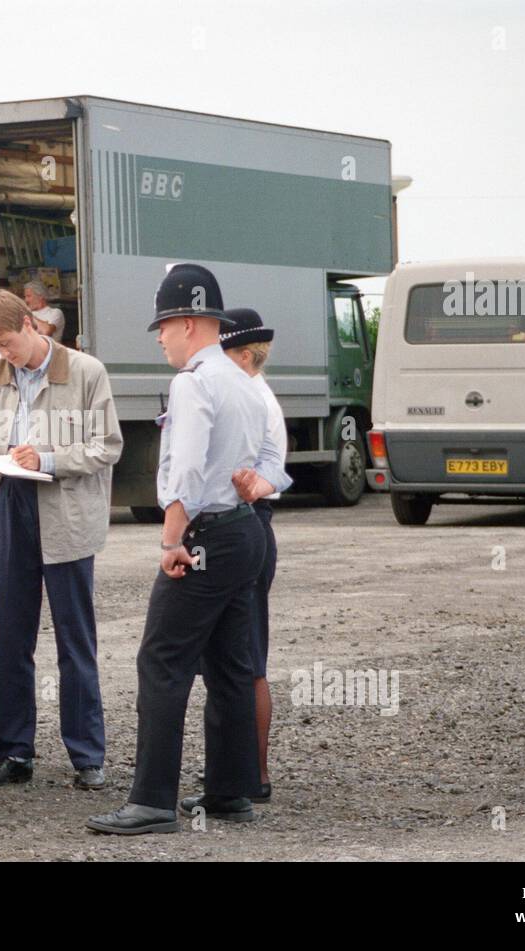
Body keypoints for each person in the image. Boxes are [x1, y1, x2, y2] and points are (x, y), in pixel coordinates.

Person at [87, 263, 292, 835]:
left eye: (164, 325)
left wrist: (171, 541)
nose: (158, 336)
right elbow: (266, 463)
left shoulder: (194, 382)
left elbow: (187, 470)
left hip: (204, 536)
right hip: (247, 531)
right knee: (231, 664)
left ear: (190, 323)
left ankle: (152, 800)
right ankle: (231, 792)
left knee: (162, 662)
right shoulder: (244, 381)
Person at [0, 289, 122, 791]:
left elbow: (107, 446)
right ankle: (13, 753)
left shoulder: (86, 372)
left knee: (75, 639)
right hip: (10, 504)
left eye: (9, 344)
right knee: (12, 636)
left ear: (32, 324)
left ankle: (87, 756)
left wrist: (49, 459)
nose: (4, 355)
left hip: (66, 512)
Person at [219, 308, 285, 803]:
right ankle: (244, 773)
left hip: (246, 522)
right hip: (252, 524)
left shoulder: (253, 401)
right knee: (244, 655)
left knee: (246, 658)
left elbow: (257, 478)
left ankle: (251, 775)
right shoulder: (256, 395)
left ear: (244, 355)